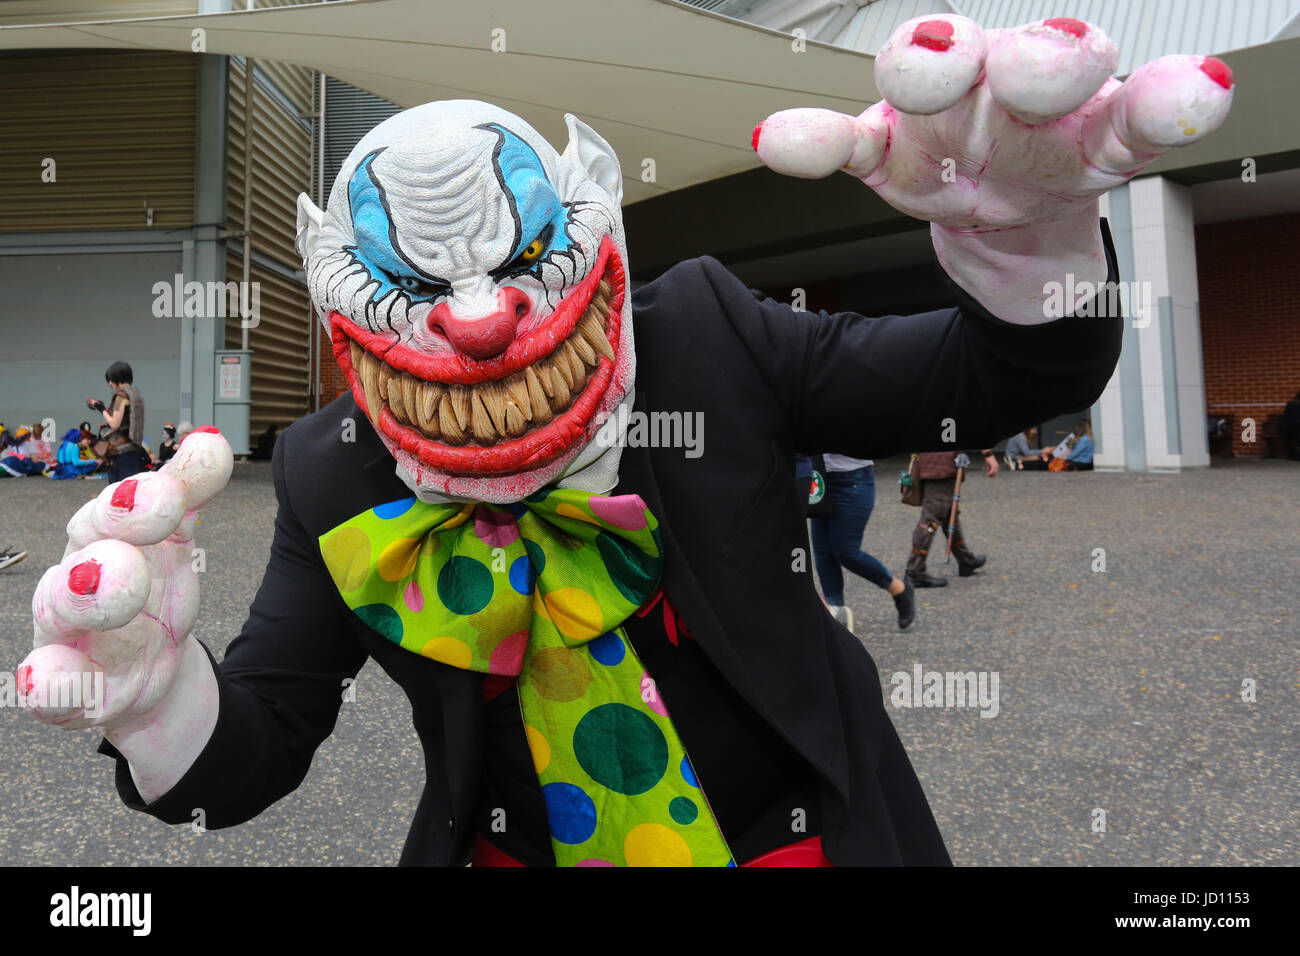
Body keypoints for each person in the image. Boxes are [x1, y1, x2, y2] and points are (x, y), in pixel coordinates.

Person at [12, 26, 1231, 868]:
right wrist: (155, 697)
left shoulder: (703, 332)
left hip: (800, 837)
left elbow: (997, 375)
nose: (481, 318)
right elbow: (259, 744)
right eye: (423, 285)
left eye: (515, 263)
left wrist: (1032, 247)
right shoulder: (337, 466)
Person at [810, 454, 915, 632]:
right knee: (823, 552)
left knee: (846, 552)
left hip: (853, 478)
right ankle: (836, 614)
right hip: (819, 476)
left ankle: (900, 589)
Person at [905, 449, 997, 588]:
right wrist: (987, 453)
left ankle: (965, 559)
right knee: (931, 518)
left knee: (948, 512)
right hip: (941, 464)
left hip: (931, 462)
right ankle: (914, 570)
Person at [89, 360, 148, 481]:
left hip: (121, 451)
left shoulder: (120, 397)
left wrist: (100, 408)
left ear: (117, 378)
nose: (110, 383)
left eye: (110, 380)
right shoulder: (136, 394)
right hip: (135, 447)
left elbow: (114, 424)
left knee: (117, 491)